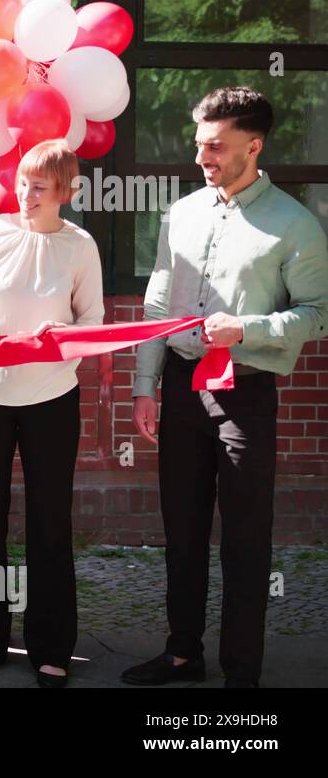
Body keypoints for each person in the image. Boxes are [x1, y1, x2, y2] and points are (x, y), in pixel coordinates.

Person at [122, 87, 328, 689]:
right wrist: (144, 383)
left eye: (215, 145)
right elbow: (159, 302)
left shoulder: (295, 224)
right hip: (183, 387)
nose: (202, 156)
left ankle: (243, 673)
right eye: (198, 144)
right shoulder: (181, 213)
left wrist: (248, 328)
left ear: (254, 146)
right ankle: (182, 654)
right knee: (181, 532)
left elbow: (319, 313)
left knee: (244, 538)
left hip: (246, 392)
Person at [0, 140, 104, 688]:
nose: (25, 193)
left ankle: (52, 646)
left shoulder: (80, 245)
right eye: (22, 182)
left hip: (52, 398)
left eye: (39, 186)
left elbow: (94, 322)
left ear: (66, 191)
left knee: (50, 522)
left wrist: (63, 336)